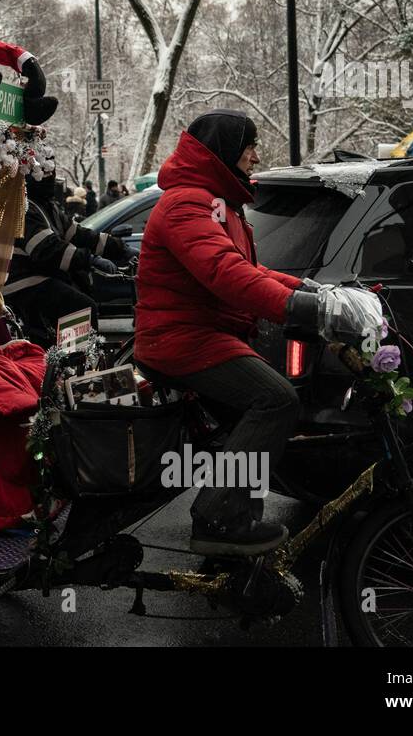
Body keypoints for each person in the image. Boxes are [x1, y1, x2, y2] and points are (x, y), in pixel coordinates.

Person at [135, 110, 333, 555]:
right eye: (249, 148)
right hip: (181, 339)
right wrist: (294, 305)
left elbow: (247, 269)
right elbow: (225, 274)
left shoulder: (216, 202)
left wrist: (307, 289)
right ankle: (219, 520)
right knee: (275, 399)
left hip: (202, 334)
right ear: (224, 152)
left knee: (250, 423)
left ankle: (237, 525)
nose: (256, 157)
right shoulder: (187, 202)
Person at [5, 171, 135, 349]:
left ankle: (68, 355)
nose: (53, 180)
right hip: (22, 281)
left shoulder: (48, 206)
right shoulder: (25, 208)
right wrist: (90, 260)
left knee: (81, 293)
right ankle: (73, 361)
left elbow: (79, 234)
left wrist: (120, 248)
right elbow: (48, 249)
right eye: (46, 172)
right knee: (80, 306)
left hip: (39, 276)